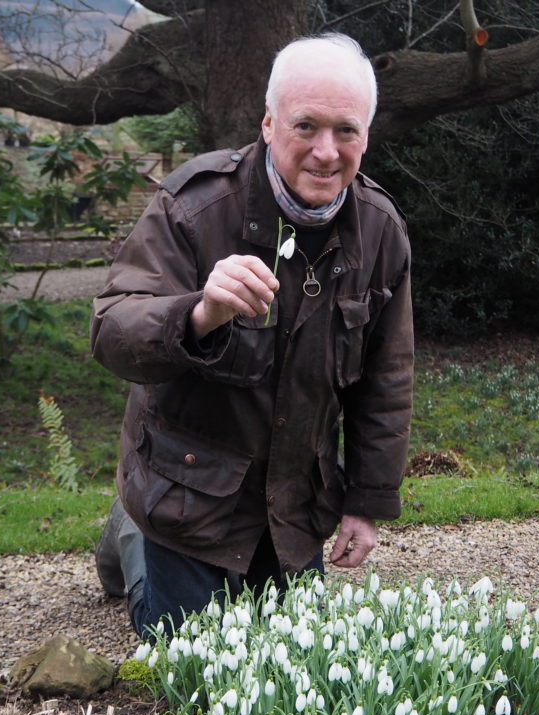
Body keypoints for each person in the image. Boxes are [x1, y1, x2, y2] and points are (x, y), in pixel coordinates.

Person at [91, 33, 413, 637]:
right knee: (179, 652)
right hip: (186, 492)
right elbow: (111, 330)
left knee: (294, 659)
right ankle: (131, 538)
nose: (326, 151)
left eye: (347, 130)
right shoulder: (194, 209)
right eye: (305, 126)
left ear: (367, 134)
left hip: (293, 502)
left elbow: (386, 380)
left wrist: (367, 504)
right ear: (268, 124)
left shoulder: (381, 231)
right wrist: (198, 313)